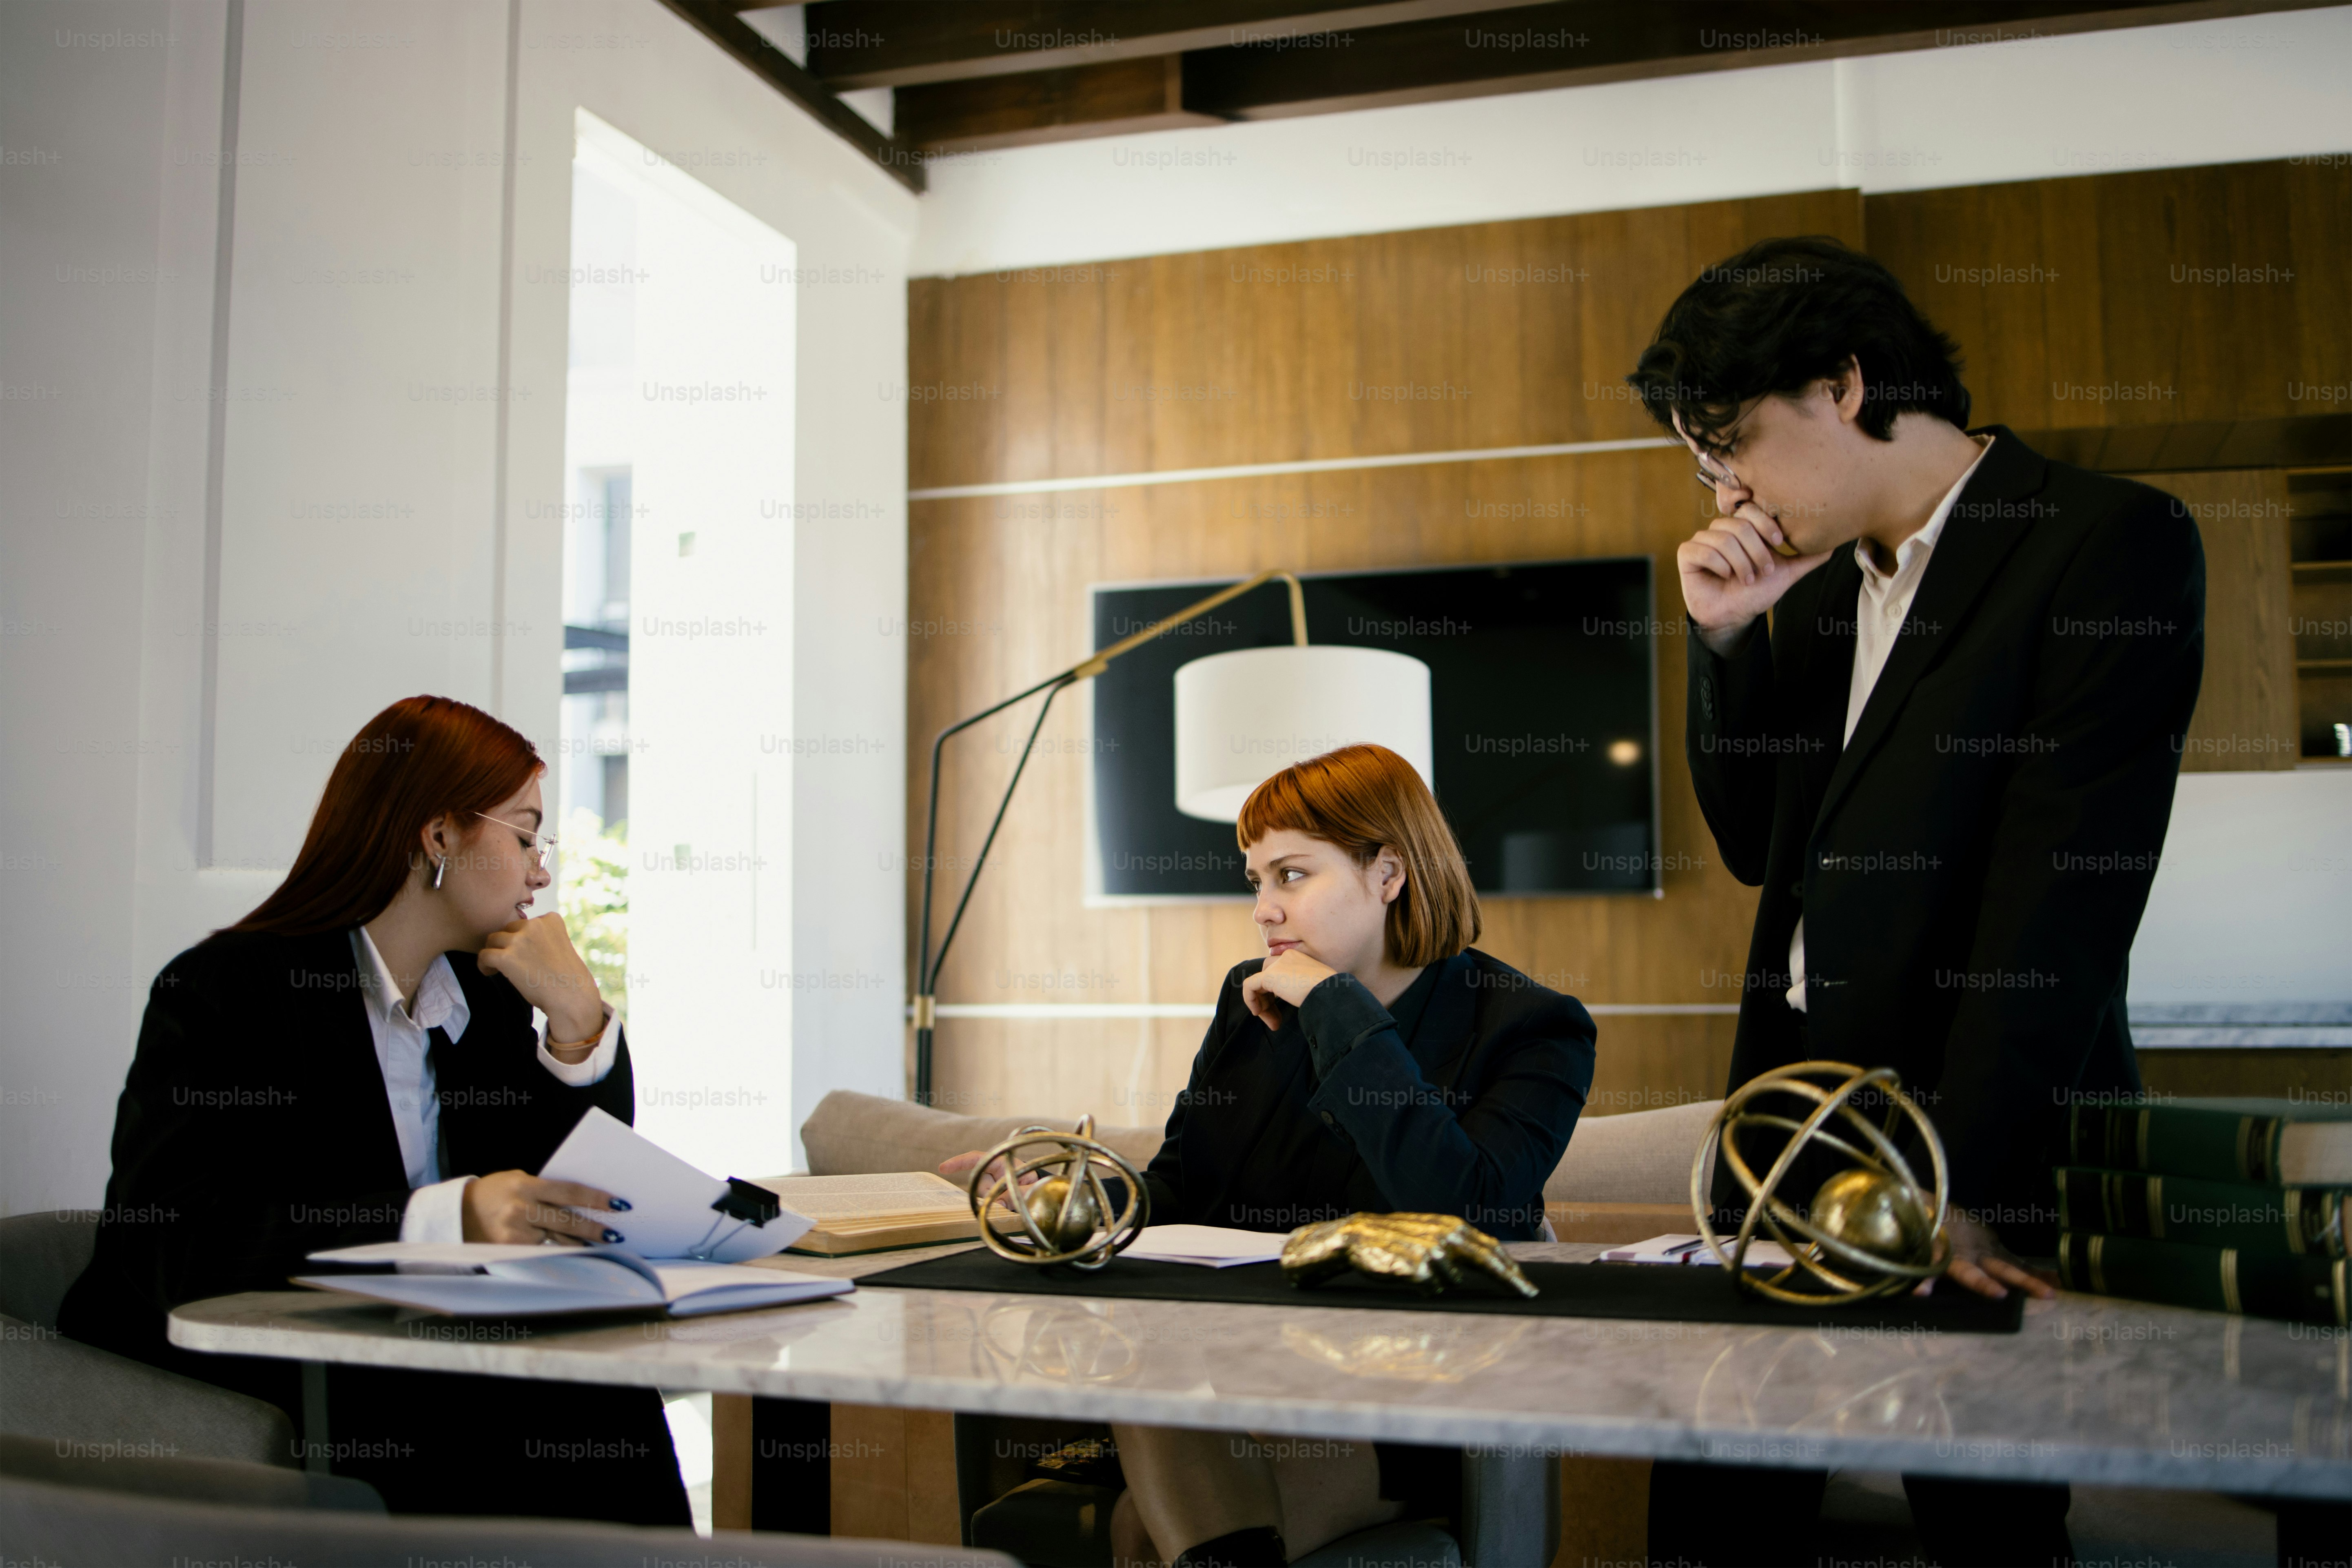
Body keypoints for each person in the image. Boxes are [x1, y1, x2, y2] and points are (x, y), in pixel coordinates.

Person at [1625, 235, 2205, 1566]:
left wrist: (1962, 1180)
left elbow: (2063, 898)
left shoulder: (2101, 543)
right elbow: (1749, 843)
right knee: (1716, 1516)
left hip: (1973, 1145)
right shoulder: (1822, 593)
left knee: (1982, 1527)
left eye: (1729, 446)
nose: (1724, 491)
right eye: (1702, 465)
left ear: (1840, 385)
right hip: (1787, 1139)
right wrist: (1724, 643)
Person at [942, 743, 1596, 1567]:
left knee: (1141, 1509)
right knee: (1149, 1450)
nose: (1264, 909)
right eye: (1256, 879)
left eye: (1291, 875)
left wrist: (1337, 1011)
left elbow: (1471, 1211)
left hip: (1404, 1402)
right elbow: (1182, 1188)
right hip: (1233, 1377)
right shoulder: (1247, 1001)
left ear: (1388, 872)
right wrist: (1070, 1197)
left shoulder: (1531, 1025)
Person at [60, 695, 690, 1525]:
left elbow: (561, 1189)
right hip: (264, 1368)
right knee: (510, 1419)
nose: (541, 870)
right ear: (439, 837)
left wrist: (578, 1018)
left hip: (417, 1351)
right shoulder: (229, 988)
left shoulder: (480, 998)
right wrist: (448, 1215)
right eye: (526, 835)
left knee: (605, 1395)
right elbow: (177, 1237)